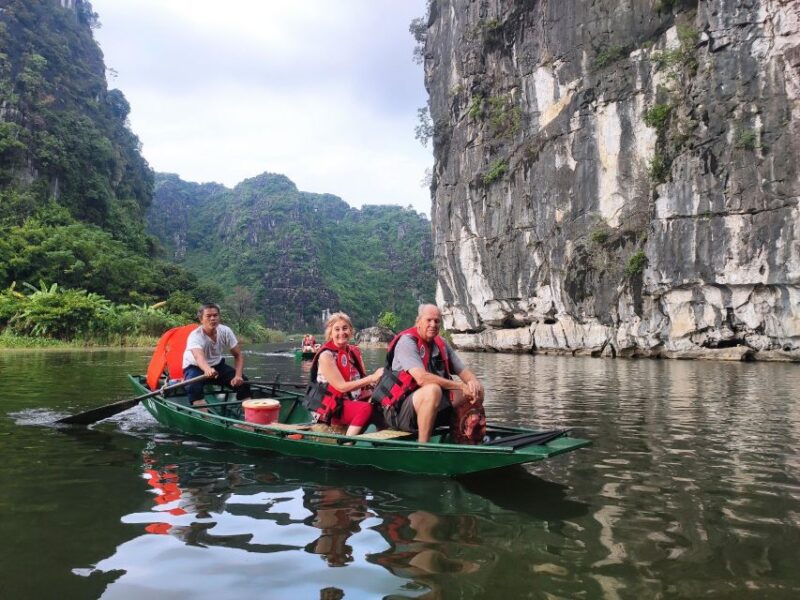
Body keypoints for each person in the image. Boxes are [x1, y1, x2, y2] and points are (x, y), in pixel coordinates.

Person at [374, 304, 484, 443]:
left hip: (432, 407)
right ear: (418, 321)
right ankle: (423, 446)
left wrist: (472, 384)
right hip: (399, 412)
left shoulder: (441, 343)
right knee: (433, 390)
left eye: (437, 321)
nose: (433, 324)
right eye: (429, 320)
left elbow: (464, 372)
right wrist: (460, 386)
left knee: (478, 389)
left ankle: (463, 434)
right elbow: (421, 378)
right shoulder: (407, 342)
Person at [303, 312, 383, 436]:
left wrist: (376, 382)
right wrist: (371, 377)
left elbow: (363, 382)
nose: (342, 333)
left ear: (351, 330)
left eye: (345, 328)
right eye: (337, 329)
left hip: (351, 401)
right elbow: (341, 386)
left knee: (381, 403)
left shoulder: (354, 352)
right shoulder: (326, 355)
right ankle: (347, 443)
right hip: (333, 409)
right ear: (330, 333)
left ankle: (382, 442)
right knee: (366, 409)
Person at [181, 303, 252, 408]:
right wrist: (207, 369)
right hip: (195, 367)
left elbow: (238, 355)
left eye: (215, 315)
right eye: (208, 316)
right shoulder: (195, 336)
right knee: (193, 387)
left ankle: (249, 420)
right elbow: (198, 357)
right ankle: (206, 419)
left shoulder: (225, 331)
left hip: (217, 365)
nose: (212, 319)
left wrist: (238, 376)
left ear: (219, 317)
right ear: (201, 319)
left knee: (243, 383)